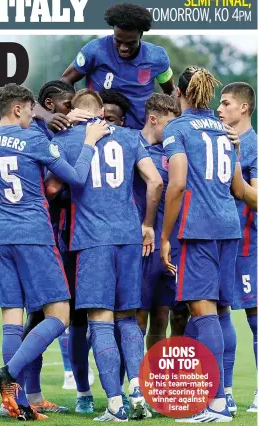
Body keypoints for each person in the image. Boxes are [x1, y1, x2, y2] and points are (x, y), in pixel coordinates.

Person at [0, 83, 110, 421]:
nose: (33, 116)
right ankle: (8, 374)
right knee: (59, 315)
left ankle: (11, 402)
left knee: (12, 320)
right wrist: (88, 143)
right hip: (33, 235)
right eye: (30, 110)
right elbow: (77, 178)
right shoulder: (34, 140)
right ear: (17, 109)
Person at [45, 88, 163, 422]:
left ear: (76, 111)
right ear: (99, 110)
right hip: (128, 236)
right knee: (128, 318)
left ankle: (114, 404)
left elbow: (52, 189)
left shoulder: (67, 139)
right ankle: (137, 391)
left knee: (100, 321)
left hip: (93, 240)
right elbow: (154, 181)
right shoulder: (127, 136)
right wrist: (148, 225)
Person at [160, 66, 248, 423]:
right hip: (230, 226)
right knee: (222, 310)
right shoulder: (225, 129)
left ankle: (213, 405)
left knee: (204, 311)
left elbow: (177, 183)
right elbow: (239, 190)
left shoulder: (177, 128)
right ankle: (224, 397)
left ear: (177, 94)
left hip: (198, 229)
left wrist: (164, 235)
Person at [60, 3, 174, 130]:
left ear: (140, 35)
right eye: (118, 41)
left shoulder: (157, 57)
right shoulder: (94, 50)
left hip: (139, 134)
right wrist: (74, 111)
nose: (123, 48)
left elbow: (170, 92)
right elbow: (66, 80)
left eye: (130, 43)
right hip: (96, 132)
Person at [133, 93, 190, 346]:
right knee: (137, 318)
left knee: (165, 316)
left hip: (172, 243)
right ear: (153, 119)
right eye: (169, 124)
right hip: (140, 246)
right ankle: (136, 381)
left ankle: (162, 381)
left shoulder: (175, 151)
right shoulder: (129, 145)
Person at [217, 82, 257, 414]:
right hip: (216, 242)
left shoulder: (253, 145)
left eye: (225, 103)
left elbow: (256, 198)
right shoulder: (217, 139)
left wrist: (236, 164)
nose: (219, 108)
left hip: (247, 243)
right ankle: (224, 392)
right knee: (218, 313)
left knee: (254, 316)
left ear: (243, 108)